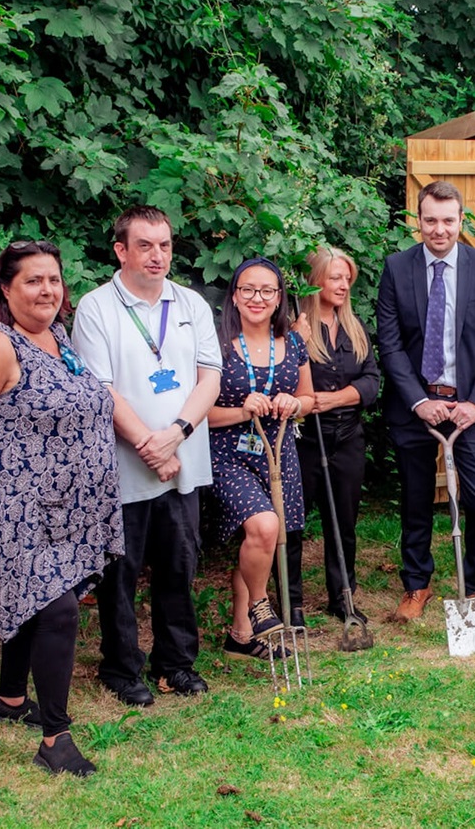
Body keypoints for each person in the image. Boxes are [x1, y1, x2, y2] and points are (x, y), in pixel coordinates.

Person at [0, 240, 122, 776]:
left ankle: (11, 700)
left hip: (58, 508)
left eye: (54, 280)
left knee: (33, 600)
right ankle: (56, 740)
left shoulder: (56, 337)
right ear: (5, 288)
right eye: (33, 281)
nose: (47, 291)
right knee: (56, 609)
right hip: (8, 510)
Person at [71, 206, 222, 706]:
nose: (157, 256)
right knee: (121, 572)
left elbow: (210, 378)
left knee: (180, 566)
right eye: (145, 245)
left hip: (182, 461)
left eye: (165, 245)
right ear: (121, 250)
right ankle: (120, 668)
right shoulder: (96, 308)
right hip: (124, 468)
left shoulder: (191, 304)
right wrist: (149, 448)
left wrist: (175, 435)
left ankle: (176, 663)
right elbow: (101, 390)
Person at [376, 180, 475, 626]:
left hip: (469, 407)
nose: (439, 229)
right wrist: (417, 401)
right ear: (419, 220)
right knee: (416, 500)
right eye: (430, 220)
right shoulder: (397, 268)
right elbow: (390, 345)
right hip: (416, 408)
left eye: (448, 220)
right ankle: (417, 584)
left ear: (460, 220)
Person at [207, 257, 316, 659]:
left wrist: (293, 402)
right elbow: (198, 413)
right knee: (265, 525)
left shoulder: (294, 343)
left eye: (267, 291)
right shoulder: (216, 346)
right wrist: (242, 410)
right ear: (234, 297)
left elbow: (309, 398)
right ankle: (260, 604)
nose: (258, 298)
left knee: (261, 539)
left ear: (279, 299)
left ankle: (241, 635)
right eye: (248, 290)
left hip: (278, 455)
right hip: (228, 454)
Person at [296, 246, 380, 623]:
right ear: (315, 281)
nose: (343, 285)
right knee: (293, 523)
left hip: (347, 438)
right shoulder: (294, 326)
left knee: (343, 523)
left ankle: (343, 596)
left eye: (347, 278)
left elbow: (371, 382)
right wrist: (297, 343)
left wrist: (331, 400)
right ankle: (291, 602)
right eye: (335, 277)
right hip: (304, 442)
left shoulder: (354, 326)